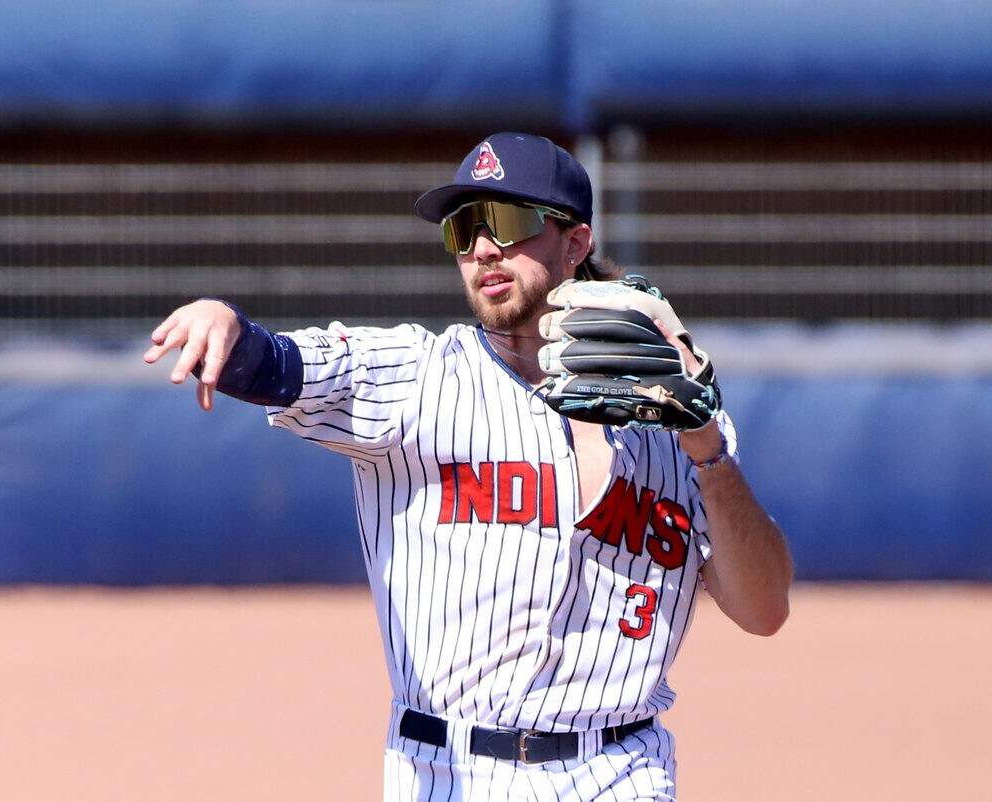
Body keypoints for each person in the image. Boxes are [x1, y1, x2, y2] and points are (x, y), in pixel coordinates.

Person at [144, 132, 792, 801]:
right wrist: (224, 321)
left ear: (575, 243)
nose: (484, 247)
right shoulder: (415, 379)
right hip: (448, 772)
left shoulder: (676, 423)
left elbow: (765, 609)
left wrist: (707, 445)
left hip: (621, 770)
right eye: (464, 228)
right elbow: (281, 365)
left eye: (508, 221)